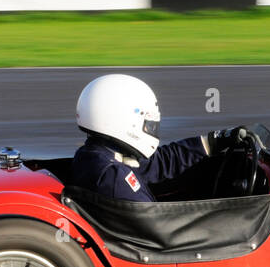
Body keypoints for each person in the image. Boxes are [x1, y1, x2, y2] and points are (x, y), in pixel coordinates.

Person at [69, 74, 239, 203]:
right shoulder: (114, 178)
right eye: (148, 124)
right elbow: (154, 222)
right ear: (121, 119)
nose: (151, 129)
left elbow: (157, 164)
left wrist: (211, 142)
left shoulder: (96, 156)